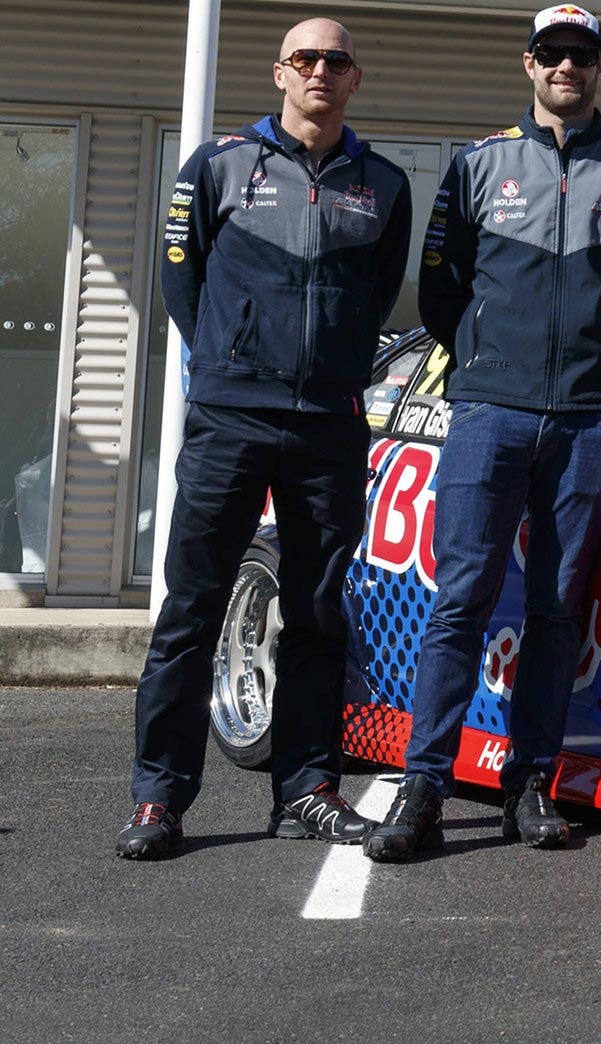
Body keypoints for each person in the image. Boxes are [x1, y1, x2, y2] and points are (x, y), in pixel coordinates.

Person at [366, 4, 601, 861]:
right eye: (552, 53)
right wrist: (481, 362)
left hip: (586, 420)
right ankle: (423, 786)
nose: (566, 67)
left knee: (554, 608)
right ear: (529, 64)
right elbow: (440, 291)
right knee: (460, 601)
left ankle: (531, 783)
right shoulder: (478, 165)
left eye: (582, 55)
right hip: (489, 413)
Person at [118, 19, 412, 858]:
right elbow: (182, 278)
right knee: (192, 605)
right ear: (281, 72)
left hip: (329, 423)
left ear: (355, 79)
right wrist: (229, 360)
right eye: (307, 58)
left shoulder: (384, 184)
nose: (322, 71)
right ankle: (159, 799)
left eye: (338, 60)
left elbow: (380, 289)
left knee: (317, 612)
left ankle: (307, 790)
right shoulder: (215, 168)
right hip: (231, 418)